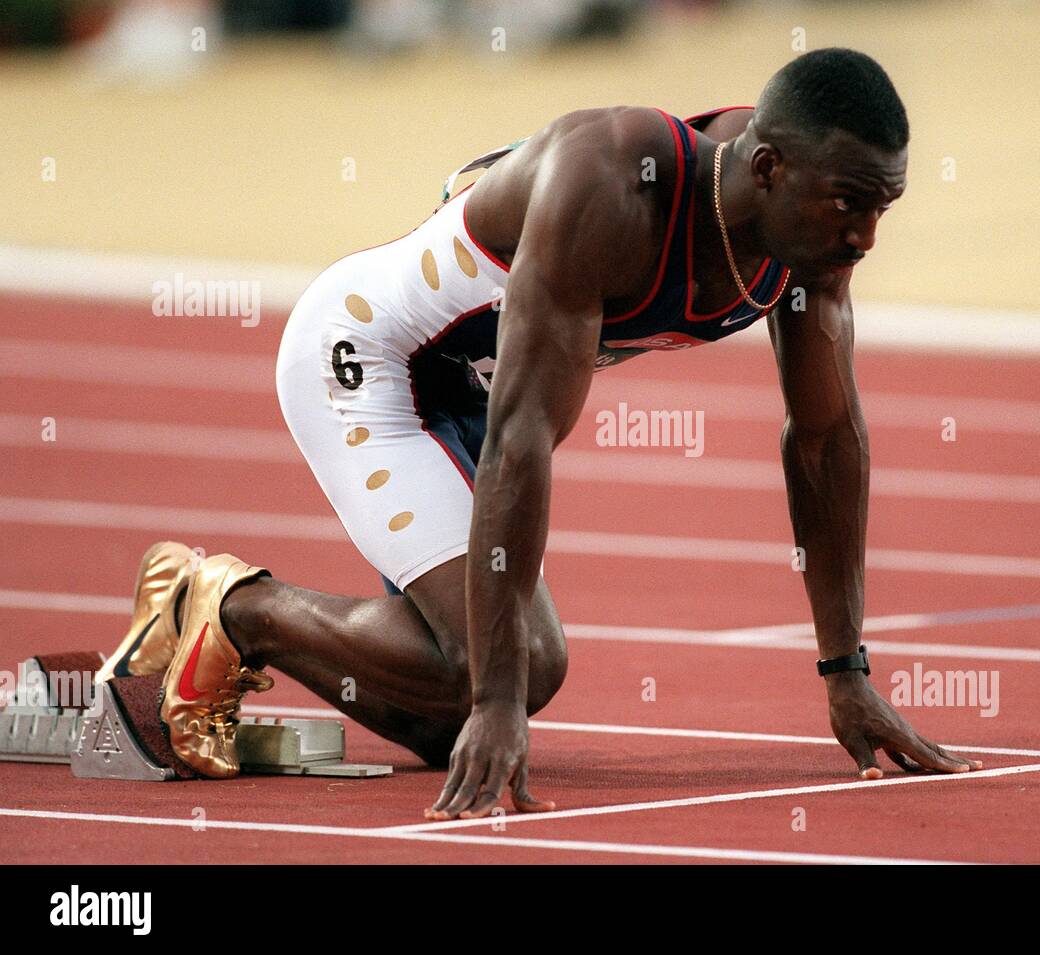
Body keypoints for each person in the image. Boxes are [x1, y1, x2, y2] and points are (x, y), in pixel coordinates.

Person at [99, 47, 981, 820]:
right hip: (369, 364)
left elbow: (826, 439)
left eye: (881, 209)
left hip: (474, 386)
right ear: (767, 167)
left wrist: (847, 670)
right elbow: (520, 439)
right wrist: (498, 696)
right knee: (518, 667)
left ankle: (276, 628)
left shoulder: (809, 239)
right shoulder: (613, 182)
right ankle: (229, 606)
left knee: (459, 707)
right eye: (850, 205)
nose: (865, 236)